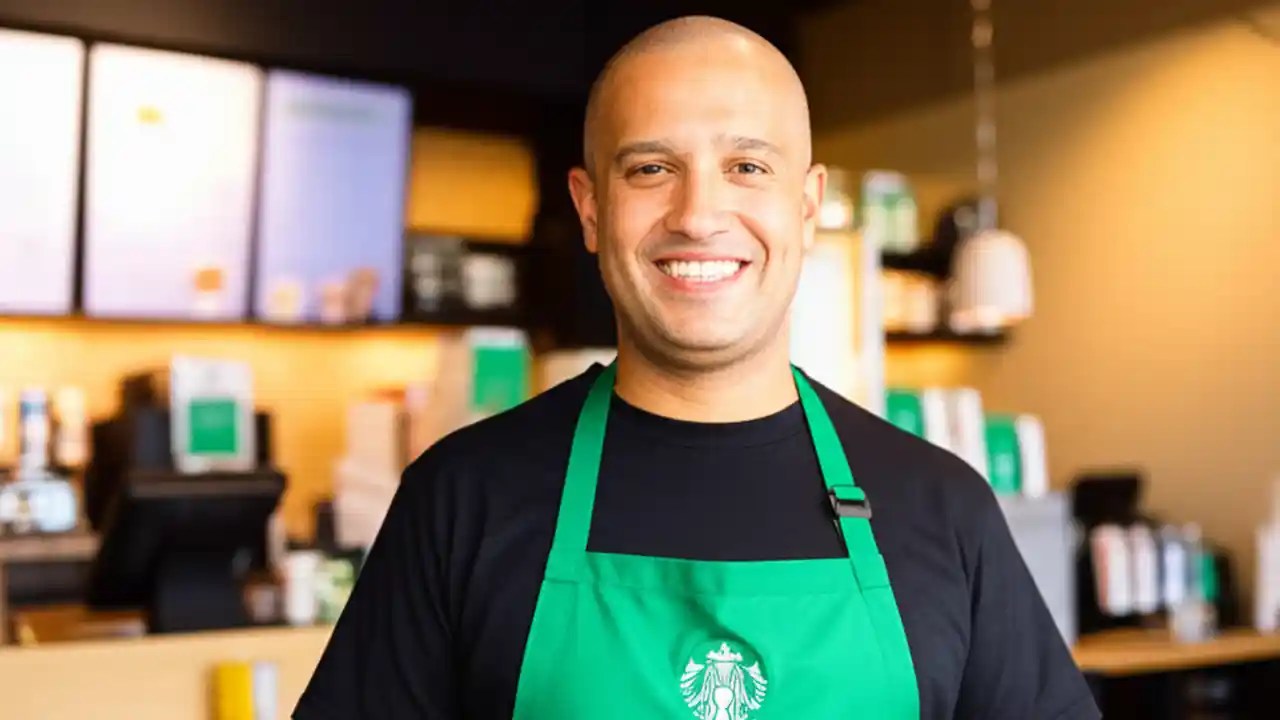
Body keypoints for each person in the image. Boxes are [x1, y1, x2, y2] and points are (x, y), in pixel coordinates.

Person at [295, 15, 1100, 720]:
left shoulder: (942, 508)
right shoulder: (462, 499)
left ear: (809, 206)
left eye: (747, 167)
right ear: (589, 208)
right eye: (651, 168)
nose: (699, 215)